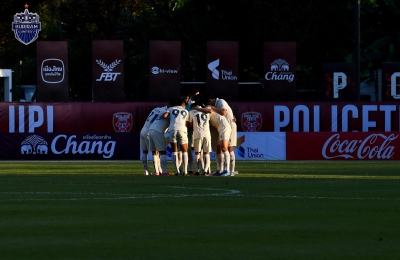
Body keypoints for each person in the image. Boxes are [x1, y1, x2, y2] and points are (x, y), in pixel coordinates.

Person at [205, 94, 238, 176]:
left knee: (229, 148)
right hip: (220, 127)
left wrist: (212, 108)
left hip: (229, 126)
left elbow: (223, 112)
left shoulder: (221, 101)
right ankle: (220, 170)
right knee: (218, 148)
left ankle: (231, 171)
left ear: (210, 100)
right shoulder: (214, 105)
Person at [163, 98, 190, 176]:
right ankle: (185, 171)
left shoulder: (171, 108)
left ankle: (177, 170)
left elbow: (165, 116)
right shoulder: (186, 111)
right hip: (182, 129)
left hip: (172, 129)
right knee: (184, 150)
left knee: (174, 150)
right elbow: (187, 123)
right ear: (184, 105)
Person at [140, 105, 168, 175]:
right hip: (150, 130)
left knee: (144, 151)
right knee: (156, 151)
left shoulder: (156, 109)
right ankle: (157, 170)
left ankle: (146, 170)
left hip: (143, 129)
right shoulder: (165, 112)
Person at [188, 102, 212, 175]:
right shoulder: (206, 110)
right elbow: (210, 111)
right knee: (207, 153)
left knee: (197, 153)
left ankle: (197, 171)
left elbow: (189, 125)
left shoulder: (191, 112)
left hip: (197, 134)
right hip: (207, 134)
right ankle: (205, 170)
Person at [147, 101, 171, 176]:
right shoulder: (169, 111)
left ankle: (157, 172)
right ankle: (164, 172)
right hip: (158, 131)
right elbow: (165, 116)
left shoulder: (159, 110)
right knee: (162, 151)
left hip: (150, 130)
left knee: (155, 152)